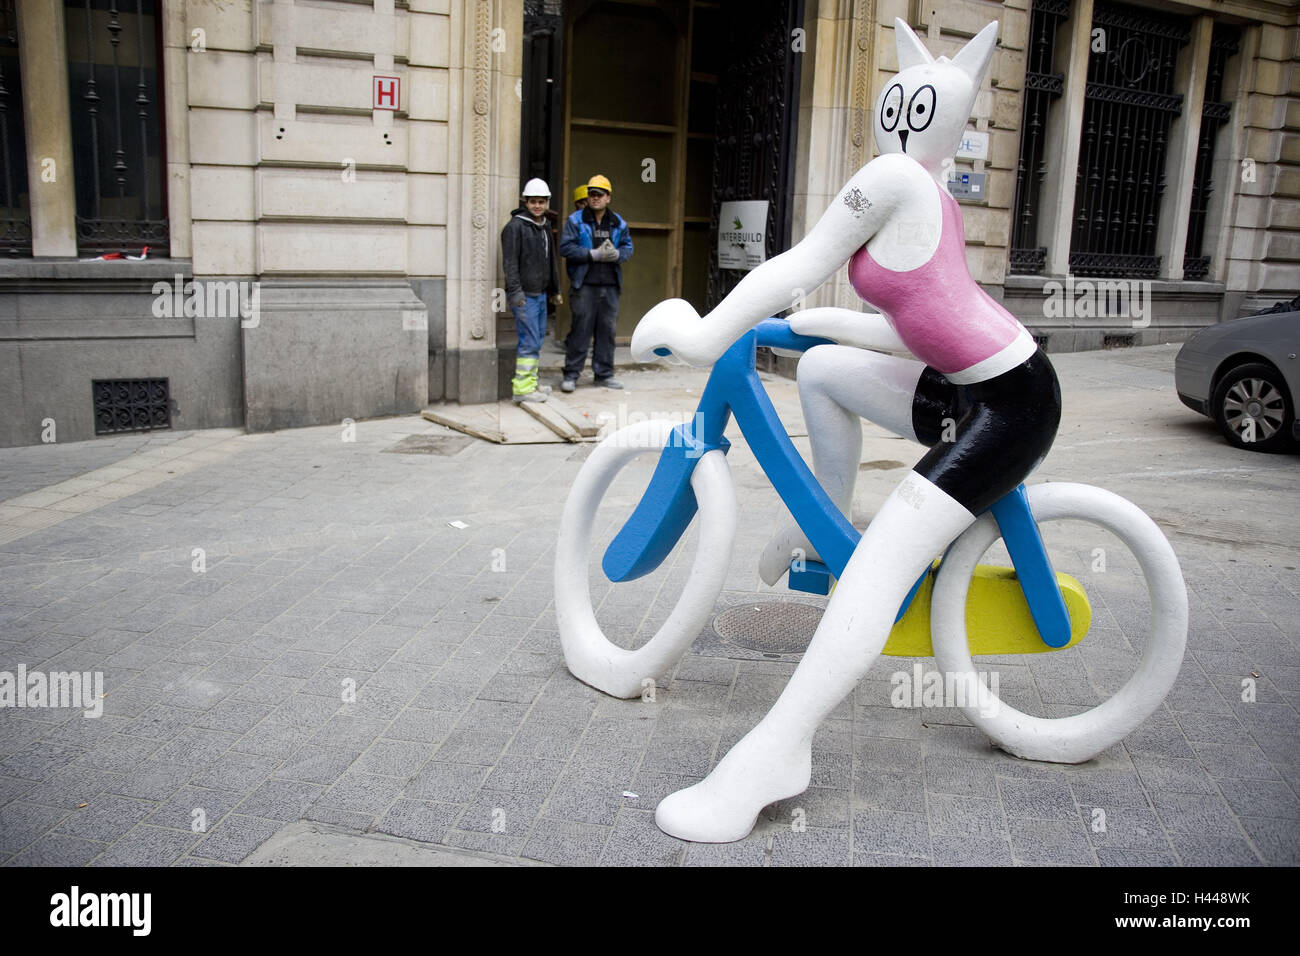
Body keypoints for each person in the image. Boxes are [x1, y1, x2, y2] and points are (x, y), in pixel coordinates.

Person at [632, 20, 1056, 843]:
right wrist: (824, 329)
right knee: (822, 374)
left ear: (944, 117)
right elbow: (918, 323)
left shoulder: (899, 177)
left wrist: (707, 335)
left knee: (884, 565)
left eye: (917, 104)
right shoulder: (925, 193)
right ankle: (817, 523)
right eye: (896, 99)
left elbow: (797, 259)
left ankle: (778, 751)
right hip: (952, 383)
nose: (900, 116)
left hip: (1009, 402)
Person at [559, 174, 634, 391]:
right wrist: (591, 254)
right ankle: (571, 374)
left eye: (599, 195)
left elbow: (628, 248)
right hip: (585, 284)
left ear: (608, 197)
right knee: (580, 330)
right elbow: (565, 248)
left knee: (606, 331)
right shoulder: (576, 220)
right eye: (592, 194)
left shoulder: (618, 222)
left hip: (610, 284)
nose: (595, 198)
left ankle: (603, 374)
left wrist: (617, 255)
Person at [501, 178, 561, 403]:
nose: (537, 205)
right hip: (525, 295)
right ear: (526, 202)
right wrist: (515, 293)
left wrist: (555, 288)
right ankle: (522, 390)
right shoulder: (515, 227)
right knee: (529, 341)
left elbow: (551, 259)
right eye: (533, 201)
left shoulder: (544, 225)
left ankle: (531, 384)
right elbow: (510, 264)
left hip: (541, 293)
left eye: (541, 201)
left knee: (536, 341)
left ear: (547, 202)